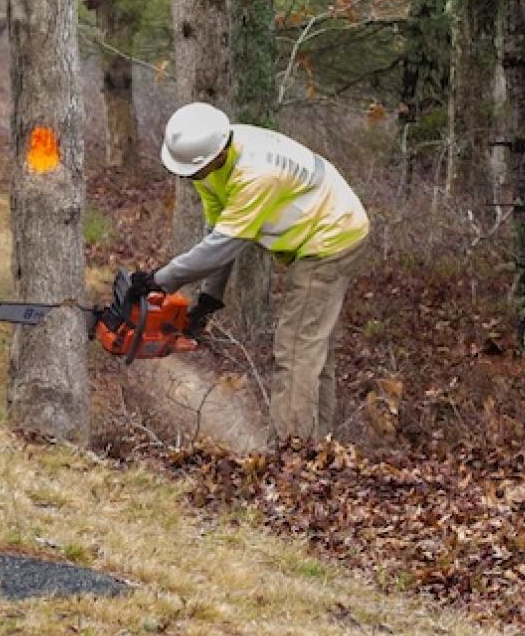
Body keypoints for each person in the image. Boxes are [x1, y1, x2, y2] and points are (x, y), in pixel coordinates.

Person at [135, 102, 371, 440]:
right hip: (326, 231)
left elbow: (223, 245)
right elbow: (218, 236)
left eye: (192, 171)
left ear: (215, 154)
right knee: (313, 345)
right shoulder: (210, 166)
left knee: (296, 347)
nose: (189, 178)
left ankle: (294, 452)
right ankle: (318, 444)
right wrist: (208, 300)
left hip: (331, 239)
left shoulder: (255, 174)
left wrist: (159, 280)